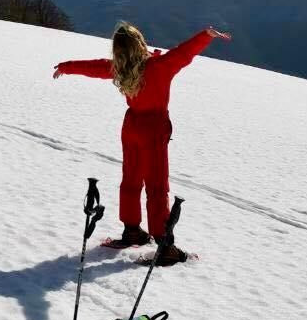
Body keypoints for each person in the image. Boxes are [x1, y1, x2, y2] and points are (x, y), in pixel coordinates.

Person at [53, 23, 231, 265]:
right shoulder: (159, 67)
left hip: (131, 127)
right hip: (154, 129)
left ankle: (132, 230)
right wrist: (205, 35)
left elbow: (93, 67)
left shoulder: (120, 69)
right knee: (157, 186)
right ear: (140, 43)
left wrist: (66, 67)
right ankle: (164, 245)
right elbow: (183, 53)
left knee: (131, 179)